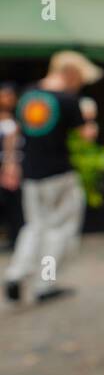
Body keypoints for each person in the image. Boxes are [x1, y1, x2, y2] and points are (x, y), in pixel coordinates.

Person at [3, 50, 101, 304]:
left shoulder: (27, 94)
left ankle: (16, 273)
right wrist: (89, 120)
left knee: (34, 225)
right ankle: (44, 284)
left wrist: (11, 163)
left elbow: (15, 131)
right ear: (71, 73)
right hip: (59, 172)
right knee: (59, 228)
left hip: (30, 171)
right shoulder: (68, 100)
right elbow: (86, 135)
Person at [0, 83, 22, 250]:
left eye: (9, 95)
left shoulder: (20, 118)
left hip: (15, 167)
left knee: (15, 205)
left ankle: (17, 238)